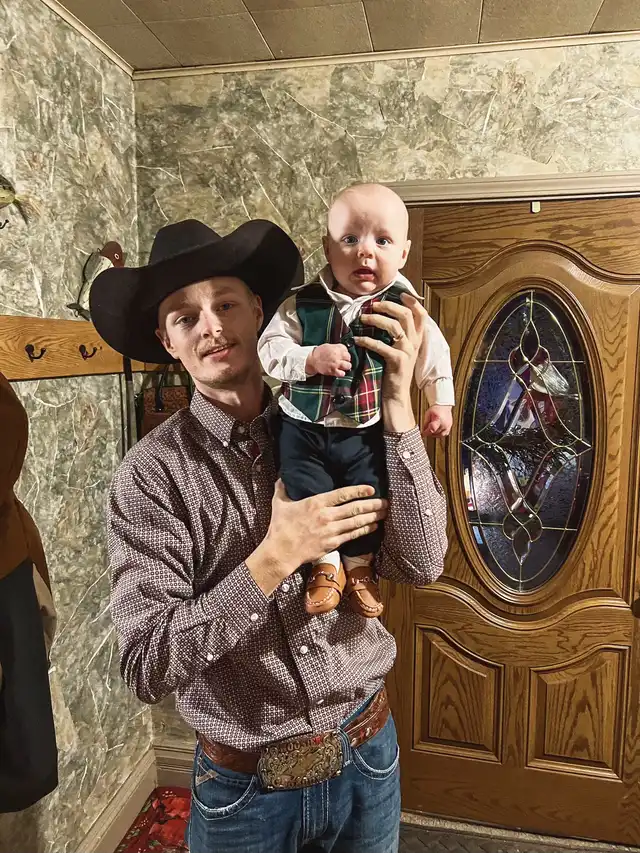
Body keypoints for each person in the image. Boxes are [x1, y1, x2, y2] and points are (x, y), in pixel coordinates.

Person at [89, 216, 448, 853]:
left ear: (259, 311)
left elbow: (421, 563)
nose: (212, 327)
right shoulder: (149, 476)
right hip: (244, 794)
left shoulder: (346, 422)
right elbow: (145, 663)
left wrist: (398, 409)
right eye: (186, 317)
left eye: (226, 305)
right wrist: (275, 558)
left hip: (368, 758)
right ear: (167, 340)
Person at [259, 183, 454, 620]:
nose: (365, 252)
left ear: (403, 253)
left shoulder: (407, 308)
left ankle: (360, 567)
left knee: (368, 491)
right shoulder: (301, 304)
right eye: (350, 239)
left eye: (382, 241)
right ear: (328, 248)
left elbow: (433, 353)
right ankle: (325, 565)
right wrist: (310, 358)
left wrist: (440, 400)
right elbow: (269, 350)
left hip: (364, 427)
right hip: (303, 423)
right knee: (301, 482)